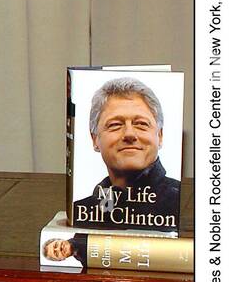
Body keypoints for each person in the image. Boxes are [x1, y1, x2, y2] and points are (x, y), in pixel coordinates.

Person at [72, 77, 181, 230]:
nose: (129, 134)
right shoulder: (79, 214)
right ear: (95, 139)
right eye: (115, 125)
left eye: (141, 124)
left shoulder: (187, 205)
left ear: (160, 136)